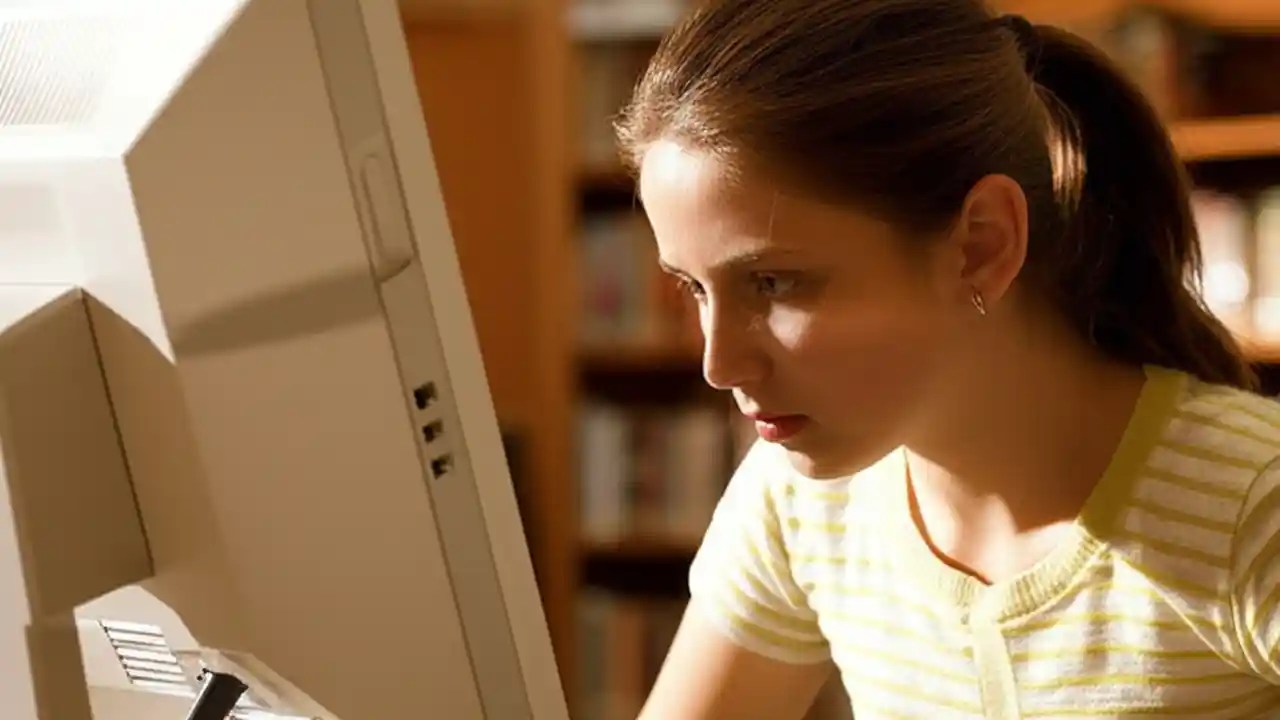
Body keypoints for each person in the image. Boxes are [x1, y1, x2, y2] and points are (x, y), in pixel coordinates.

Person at [613, 0, 1280, 717]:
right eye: (692, 286)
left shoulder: (1251, 507)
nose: (719, 364)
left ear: (981, 245)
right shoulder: (799, 502)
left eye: (773, 283)